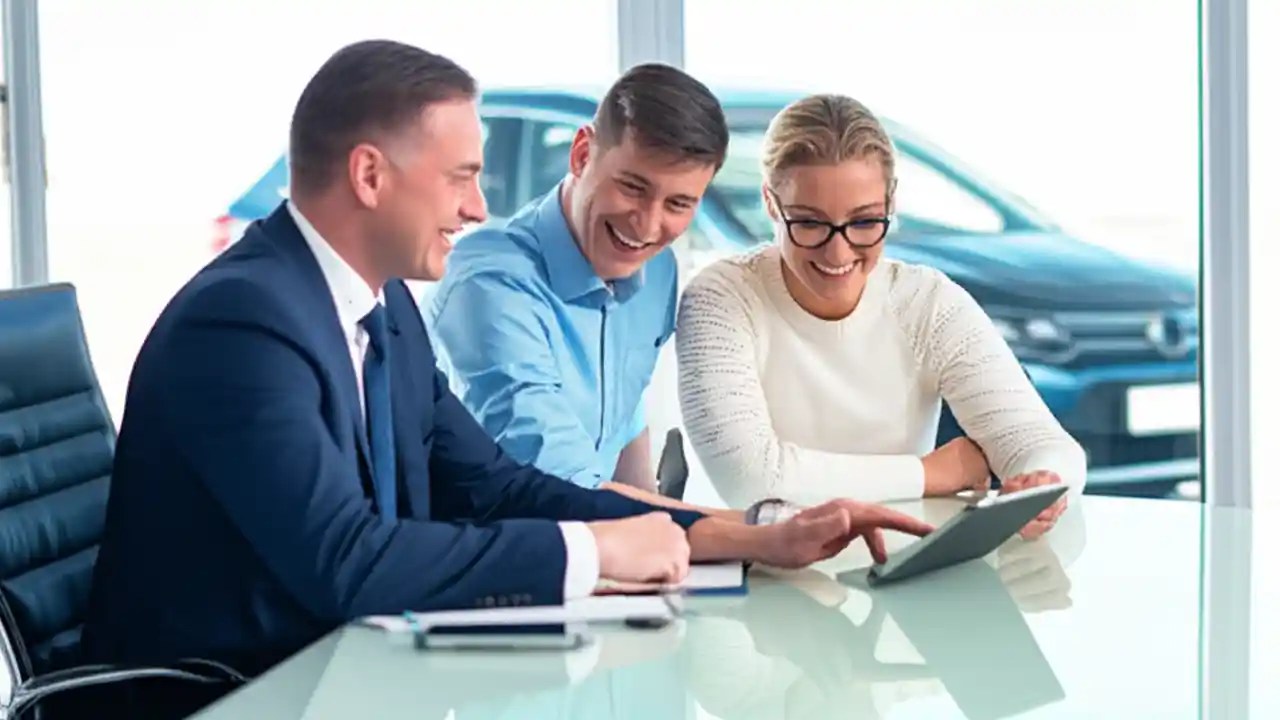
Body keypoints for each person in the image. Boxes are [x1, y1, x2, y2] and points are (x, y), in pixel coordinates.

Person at [81, 46, 931, 718]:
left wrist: (753, 538)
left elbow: (492, 485)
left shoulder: (382, 310)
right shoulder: (246, 321)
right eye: (462, 176)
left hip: (346, 676)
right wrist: (597, 549)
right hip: (226, 695)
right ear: (372, 176)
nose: (480, 206)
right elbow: (344, 560)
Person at [675, 93, 1086, 540]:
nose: (838, 251)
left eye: (864, 222)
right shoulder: (722, 298)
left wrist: (1041, 482)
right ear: (772, 204)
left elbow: (1041, 442)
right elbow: (752, 482)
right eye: (809, 223)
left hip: (900, 571)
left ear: (891, 203)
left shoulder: (926, 302)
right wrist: (933, 474)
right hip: (763, 577)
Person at [428, 63, 724, 495]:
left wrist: (656, 542)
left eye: (678, 203)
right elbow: (564, 488)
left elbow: (625, 421)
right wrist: (760, 533)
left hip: (598, 544)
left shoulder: (657, 269)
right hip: (501, 548)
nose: (647, 225)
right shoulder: (489, 285)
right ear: (582, 154)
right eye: (632, 187)